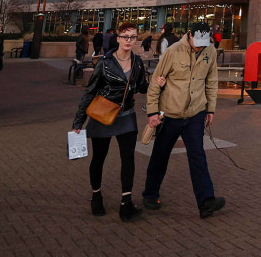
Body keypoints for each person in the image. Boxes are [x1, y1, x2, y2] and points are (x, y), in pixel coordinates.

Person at [143, 22, 226, 219]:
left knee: (198, 156)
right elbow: (156, 81)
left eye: (203, 43)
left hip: (195, 113)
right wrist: (153, 112)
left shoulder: (210, 51)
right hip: (170, 114)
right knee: (160, 156)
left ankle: (206, 202)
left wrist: (211, 109)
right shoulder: (173, 51)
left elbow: (211, 81)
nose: (199, 46)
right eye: (197, 42)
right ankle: (150, 194)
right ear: (189, 36)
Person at [73, 22, 150, 221]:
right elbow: (90, 91)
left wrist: (155, 83)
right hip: (103, 115)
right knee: (99, 158)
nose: (129, 40)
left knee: (128, 159)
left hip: (126, 115)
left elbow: (141, 87)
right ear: (118, 39)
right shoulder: (105, 62)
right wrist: (79, 121)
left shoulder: (138, 62)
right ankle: (96, 195)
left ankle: (126, 202)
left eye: (132, 37)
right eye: (125, 36)